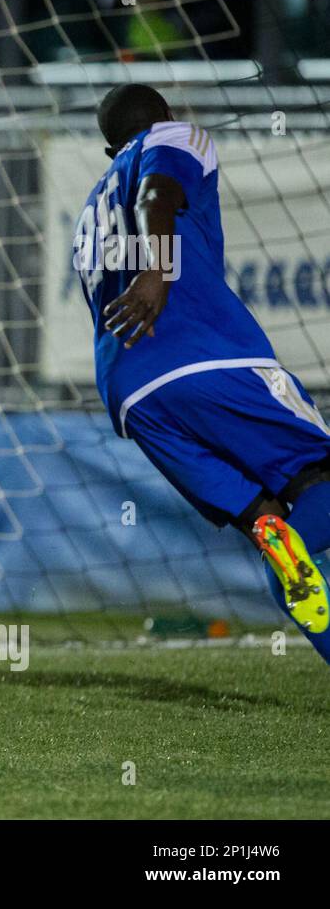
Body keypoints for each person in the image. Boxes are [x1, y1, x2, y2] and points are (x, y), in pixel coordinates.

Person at [74, 83, 330, 662]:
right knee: (316, 471)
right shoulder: (171, 137)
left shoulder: (88, 212)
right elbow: (156, 193)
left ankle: (280, 541)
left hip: (134, 398)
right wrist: (158, 273)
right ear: (163, 116)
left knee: (266, 520)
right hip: (207, 358)